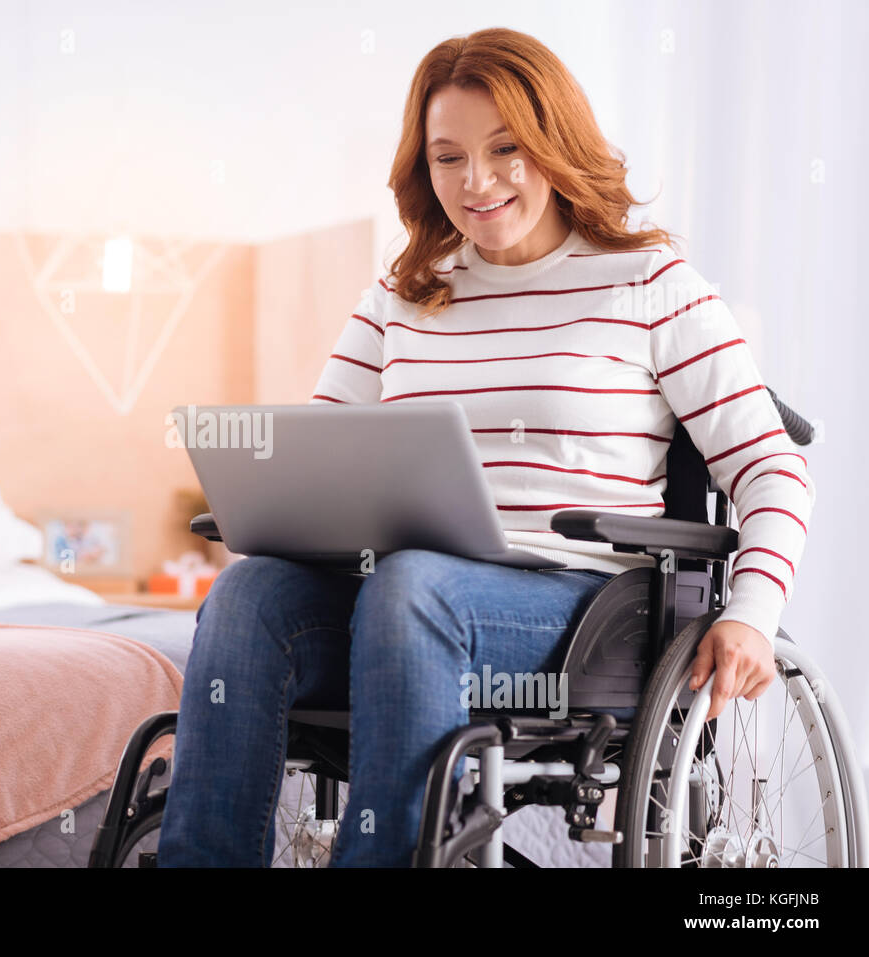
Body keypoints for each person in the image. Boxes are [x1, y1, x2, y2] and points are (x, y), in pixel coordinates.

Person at [156, 27, 814, 867]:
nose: (478, 182)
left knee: (411, 584)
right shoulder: (402, 295)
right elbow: (316, 458)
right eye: (448, 157)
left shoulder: (650, 285)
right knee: (249, 594)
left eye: (506, 149)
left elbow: (772, 466)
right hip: (401, 600)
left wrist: (753, 611)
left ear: (554, 145)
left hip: (578, 612)